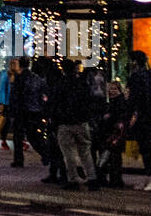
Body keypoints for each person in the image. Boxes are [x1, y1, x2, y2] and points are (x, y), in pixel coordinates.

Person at [51, 58, 98, 191]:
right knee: (85, 151)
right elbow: (89, 101)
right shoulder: (82, 84)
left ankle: (73, 179)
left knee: (69, 152)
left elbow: (55, 104)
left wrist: (54, 120)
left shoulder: (60, 84)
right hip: (82, 121)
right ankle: (92, 177)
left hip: (65, 123)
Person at [127, 50, 151, 190]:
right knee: (147, 148)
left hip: (141, 116)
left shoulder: (137, 77)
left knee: (145, 148)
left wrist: (134, 113)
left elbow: (135, 98)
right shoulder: (150, 76)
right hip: (148, 115)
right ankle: (150, 177)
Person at [8, 56, 48, 168]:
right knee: (33, 136)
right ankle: (45, 154)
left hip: (21, 111)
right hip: (34, 111)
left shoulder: (19, 78)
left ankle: (19, 159)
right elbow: (43, 93)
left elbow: (15, 96)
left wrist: (12, 110)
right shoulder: (35, 78)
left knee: (18, 136)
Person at [95, 78, 130, 188]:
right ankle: (114, 180)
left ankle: (114, 180)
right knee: (112, 158)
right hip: (110, 134)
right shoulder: (111, 103)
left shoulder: (118, 103)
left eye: (114, 89)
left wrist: (108, 118)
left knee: (112, 158)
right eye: (110, 89)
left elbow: (118, 117)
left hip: (114, 135)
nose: (112, 91)